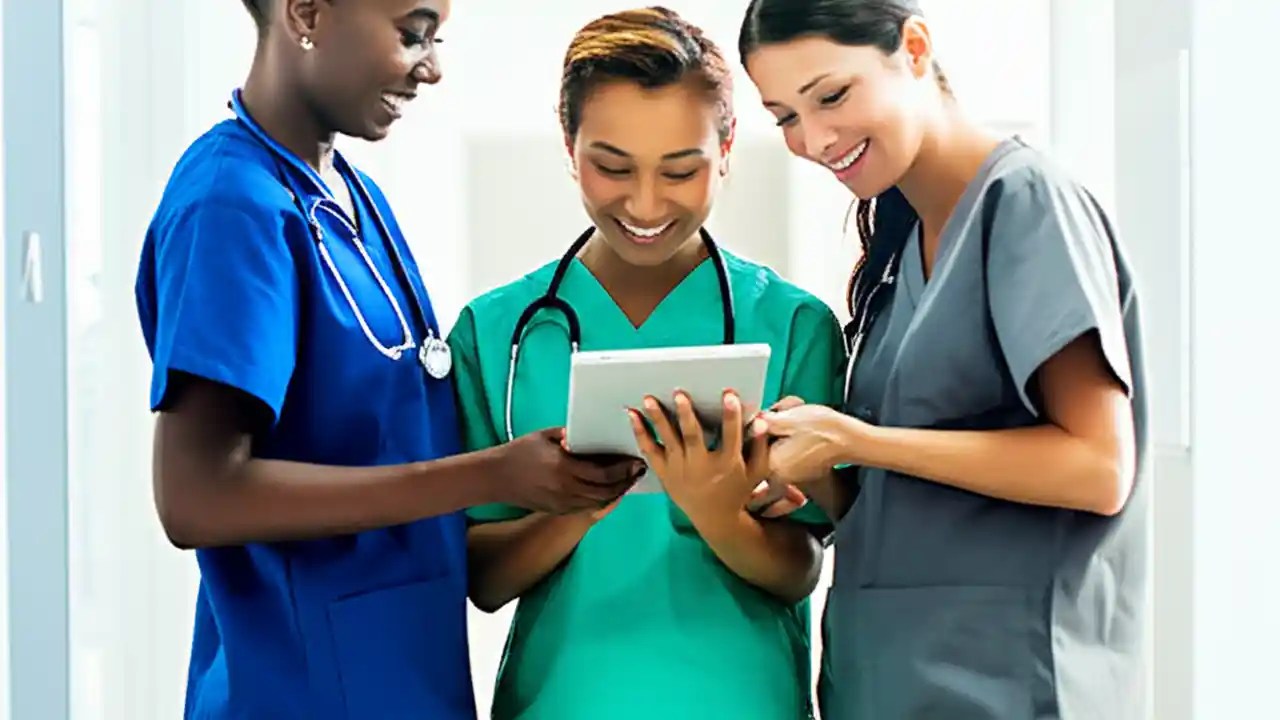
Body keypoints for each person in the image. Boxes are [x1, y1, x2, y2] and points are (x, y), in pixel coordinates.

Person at [134, 1, 643, 718]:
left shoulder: (351, 196)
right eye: (412, 34)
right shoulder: (233, 205)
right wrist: (491, 475)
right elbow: (197, 497)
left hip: (401, 675)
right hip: (298, 685)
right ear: (307, 11)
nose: (431, 68)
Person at [737, 1, 1151, 718]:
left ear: (915, 47)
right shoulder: (905, 244)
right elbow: (918, 497)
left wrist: (859, 440)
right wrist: (819, 467)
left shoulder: (1024, 204)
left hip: (1005, 684)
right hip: (888, 683)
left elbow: (1098, 467)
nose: (814, 138)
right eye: (785, 117)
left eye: (831, 96)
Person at [449, 7, 845, 719]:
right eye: (611, 166)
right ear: (569, 147)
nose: (645, 201)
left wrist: (716, 510)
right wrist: (578, 507)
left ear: (726, 148)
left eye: (680, 169)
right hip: (563, 701)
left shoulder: (793, 324)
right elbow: (481, 577)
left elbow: (801, 568)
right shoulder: (497, 331)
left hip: (740, 700)